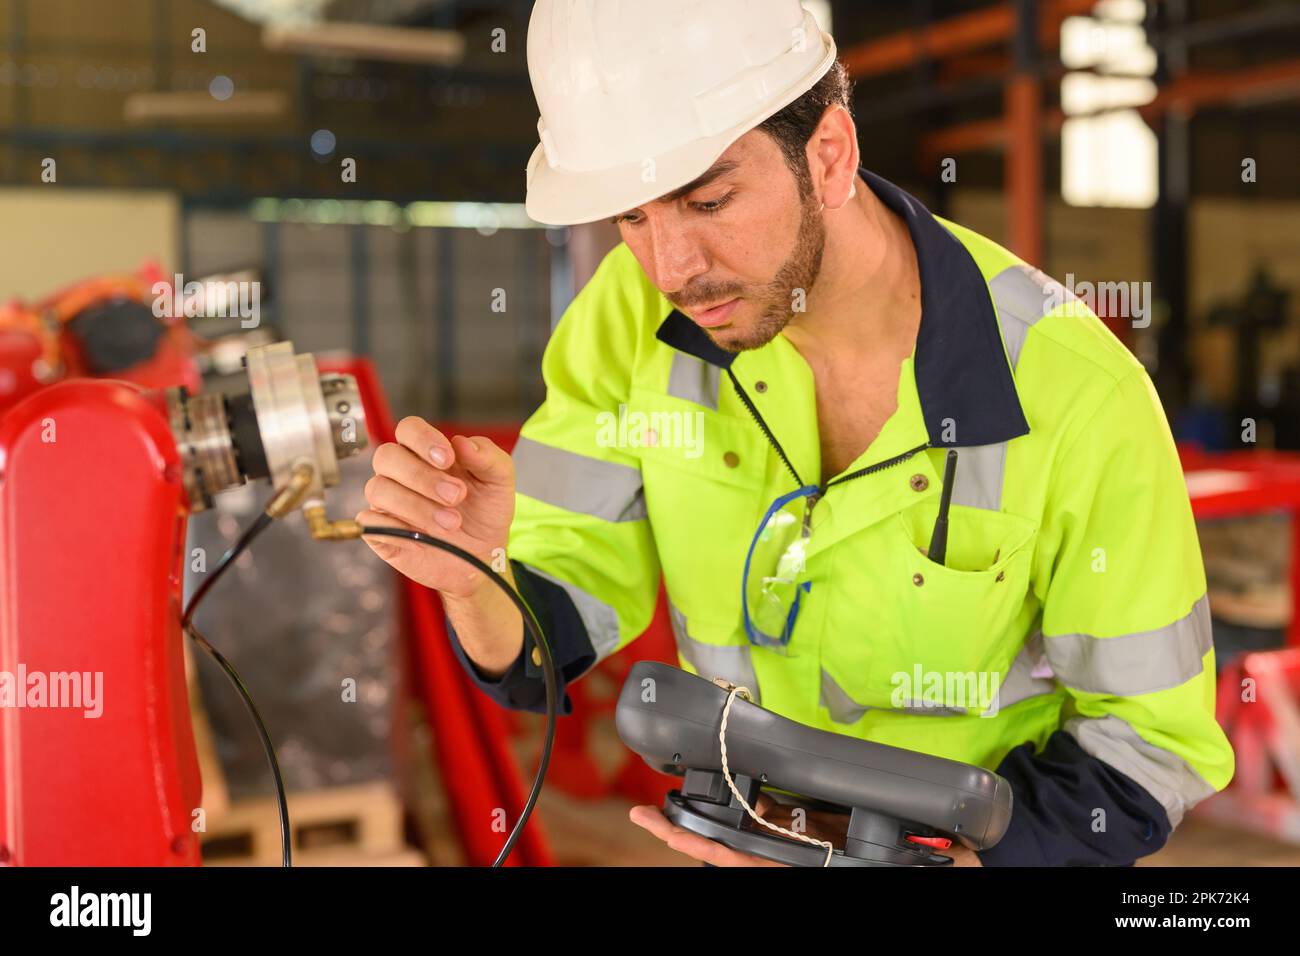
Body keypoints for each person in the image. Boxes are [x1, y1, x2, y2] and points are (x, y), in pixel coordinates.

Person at [359, 0, 1233, 866]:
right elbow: (548, 636)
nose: (670, 271)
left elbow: (1146, 755)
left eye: (707, 202)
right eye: (631, 217)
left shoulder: (1077, 394)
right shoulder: (627, 322)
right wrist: (475, 575)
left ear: (829, 155)